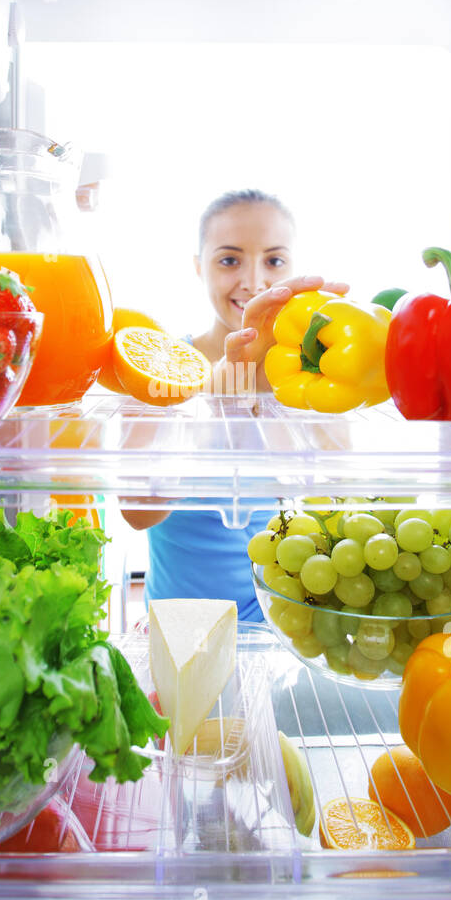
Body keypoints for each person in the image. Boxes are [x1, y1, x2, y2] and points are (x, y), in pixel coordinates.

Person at [122, 189, 348, 621]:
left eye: (274, 261)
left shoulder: (307, 376)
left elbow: (336, 498)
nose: (253, 281)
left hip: (283, 628)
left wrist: (272, 392)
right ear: (198, 266)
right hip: (178, 626)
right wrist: (217, 406)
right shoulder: (162, 367)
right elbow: (137, 512)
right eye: (229, 260)